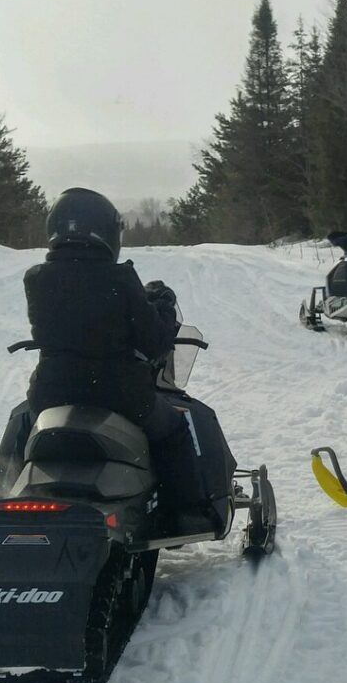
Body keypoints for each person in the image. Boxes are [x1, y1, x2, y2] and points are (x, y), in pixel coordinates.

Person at [21, 187, 216, 533]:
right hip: (118, 394)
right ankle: (185, 513)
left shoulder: (37, 278)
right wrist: (163, 308)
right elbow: (155, 342)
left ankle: (12, 492)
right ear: (105, 231)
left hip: (52, 393)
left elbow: (65, 319)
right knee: (174, 432)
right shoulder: (118, 277)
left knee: (23, 423)